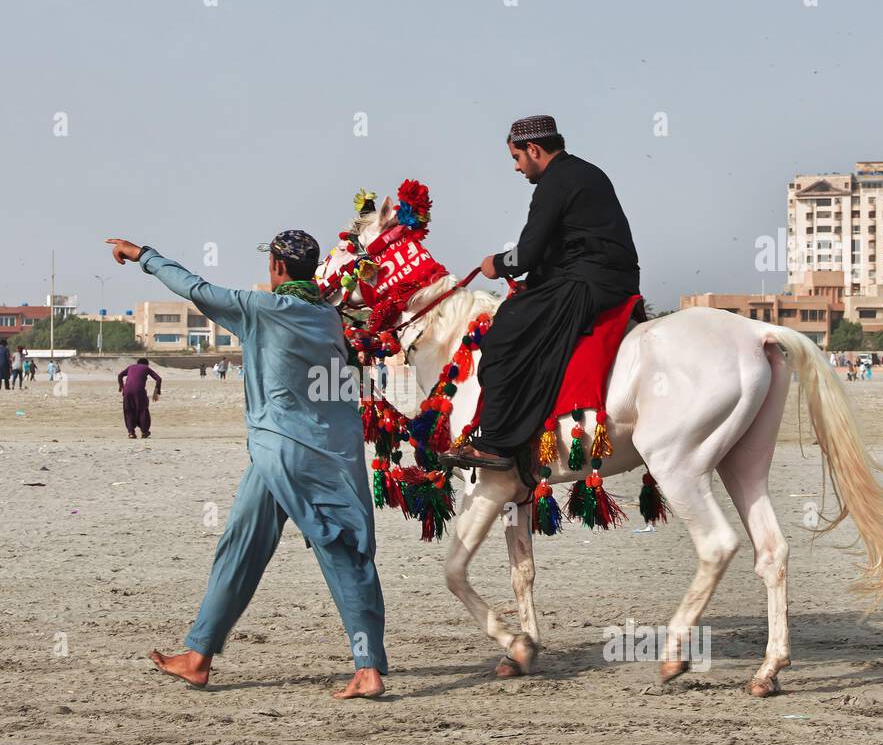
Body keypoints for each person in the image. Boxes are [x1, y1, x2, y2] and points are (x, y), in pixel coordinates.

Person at [105, 230, 388, 699]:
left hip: (283, 452)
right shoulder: (327, 317)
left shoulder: (260, 310)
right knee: (245, 543)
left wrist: (142, 255)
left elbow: (193, 287)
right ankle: (199, 656)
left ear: (277, 268)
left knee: (334, 549)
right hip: (327, 451)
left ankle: (368, 669)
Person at [439, 115, 641, 470]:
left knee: (504, 334)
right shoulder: (585, 173)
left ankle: (497, 444)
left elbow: (528, 253)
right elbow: (558, 248)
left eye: (517, 158)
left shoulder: (554, 182)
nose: (517, 168)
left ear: (533, 149)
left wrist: (496, 264)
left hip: (590, 281)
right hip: (607, 277)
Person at [118, 357, 162, 438]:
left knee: (129, 410)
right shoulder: (146, 368)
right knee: (143, 410)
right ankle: (144, 432)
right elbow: (158, 379)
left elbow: (120, 375)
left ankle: (131, 433)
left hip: (127, 391)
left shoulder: (131, 367)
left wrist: (121, 386)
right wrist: (156, 391)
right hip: (139, 391)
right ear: (146, 364)